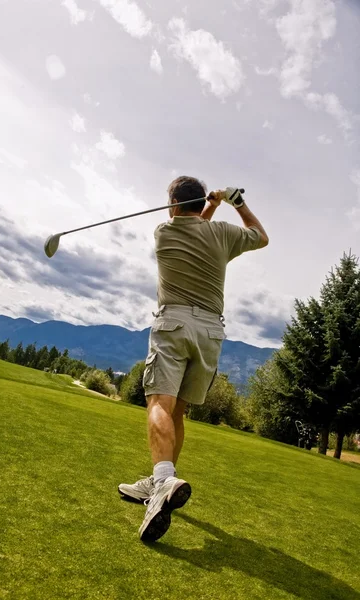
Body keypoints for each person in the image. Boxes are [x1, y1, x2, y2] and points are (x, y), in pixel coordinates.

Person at [118, 176, 269, 542]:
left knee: (157, 402)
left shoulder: (164, 233)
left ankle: (163, 481)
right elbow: (260, 235)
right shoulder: (221, 233)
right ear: (200, 202)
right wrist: (232, 202)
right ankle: (161, 482)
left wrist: (210, 205)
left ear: (172, 204)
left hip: (174, 324)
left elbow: (189, 223)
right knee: (178, 411)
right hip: (211, 333)